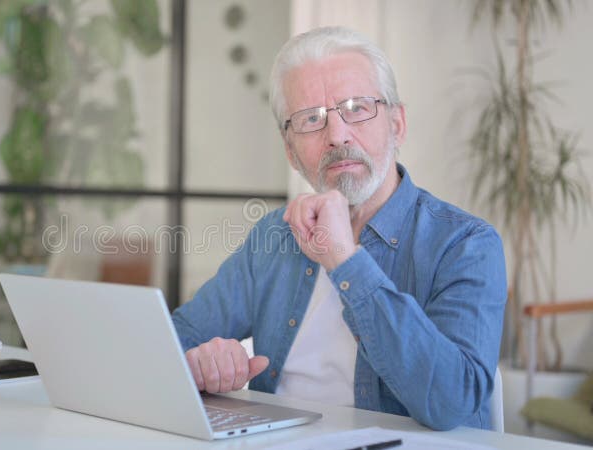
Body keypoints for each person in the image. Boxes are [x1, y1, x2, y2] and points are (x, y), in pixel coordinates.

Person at [171, 26, 507, 431]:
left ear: (397, 124)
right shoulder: (274, 236)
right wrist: (200, 362)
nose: (336, 135)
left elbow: (453, 402)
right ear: (291, 151)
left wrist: (345, 261)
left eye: (357, 108)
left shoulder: (466, 243)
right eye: (311, 119)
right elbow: (174, 340)